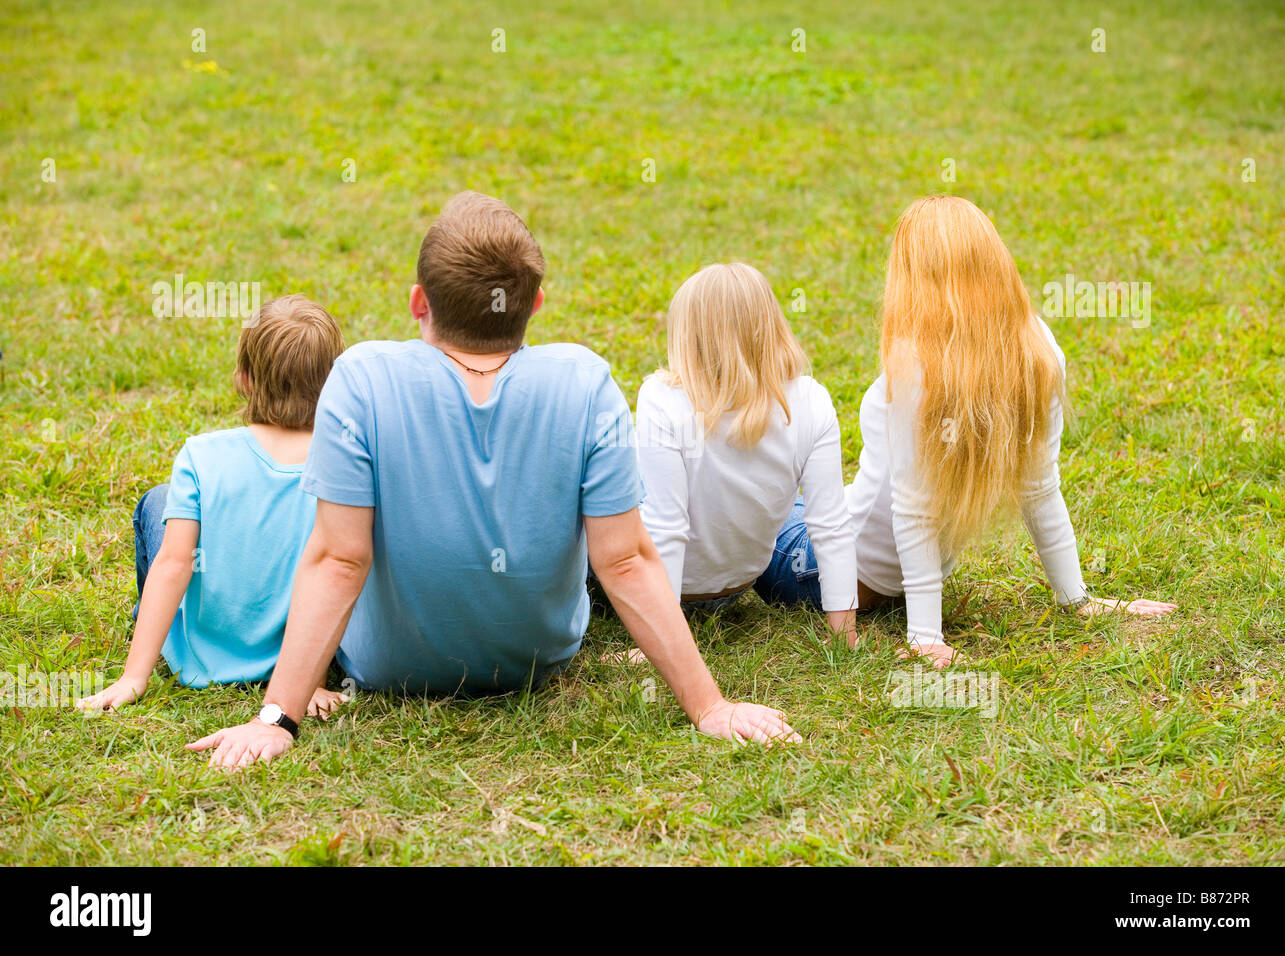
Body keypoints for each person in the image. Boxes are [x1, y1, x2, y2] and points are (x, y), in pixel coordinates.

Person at [187, 192, 800, 767]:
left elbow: (337, 560)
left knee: (169, 505)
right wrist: (710, 707)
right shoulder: (586, 382)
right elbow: (627, 561)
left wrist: (277, 718)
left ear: (418, 302)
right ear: (535, 304)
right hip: (538, 660)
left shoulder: (361, 379)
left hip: (386, 668)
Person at [761, 196, 1175, 667]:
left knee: (765, 504)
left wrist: (924, 636)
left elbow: (920, 513)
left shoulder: (913, 370)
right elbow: (1039, 490)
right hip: (851, 553)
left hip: (823, 569)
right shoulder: (1038, 351)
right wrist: (1075, 600)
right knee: (796, 500)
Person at [77, 295, 349, 712]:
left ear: (243, 378)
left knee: (157, 501)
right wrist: (309, 683)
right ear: (334, 382)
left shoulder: (202, 455)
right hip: (293, 662)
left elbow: (173, 563)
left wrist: (134, 678)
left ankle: (150, 619)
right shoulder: (344, 463)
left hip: (198, 660)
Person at [634, 262, 857, 641]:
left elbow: (665, 531)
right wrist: (846, 637)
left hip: (666, 587)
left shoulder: (661, 399)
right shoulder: (809, 400)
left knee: (606, 477)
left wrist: (659, 645)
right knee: (795, 501)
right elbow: (831, 526)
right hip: (739, 583)